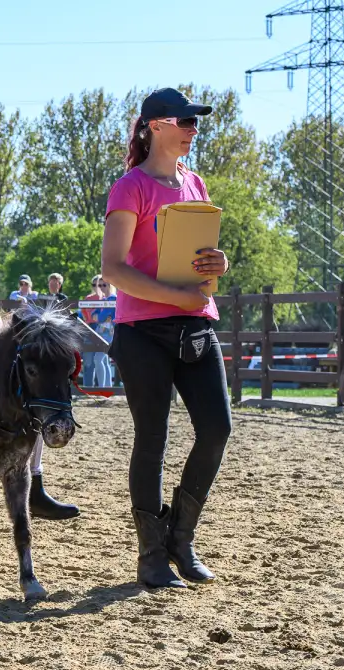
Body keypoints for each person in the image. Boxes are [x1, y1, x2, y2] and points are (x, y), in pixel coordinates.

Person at [103, 87, 231, 588]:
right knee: (152, 439)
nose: (193, 129)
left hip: (198, 322)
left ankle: (181, 536)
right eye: (186, 121)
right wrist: (170, 297)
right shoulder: (129, 187)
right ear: (155, 125)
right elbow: (112, 268)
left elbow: (201, 261)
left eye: (196, 123)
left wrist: (218, 265)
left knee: (216, 430)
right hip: (142, 331)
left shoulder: (196, 183)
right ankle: (152, 555)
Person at [81, 275, 114, 388]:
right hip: (101, 331)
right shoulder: (104, 300)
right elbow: (93, 314)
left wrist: (101, 316)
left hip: (108, 333)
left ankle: (103, 388)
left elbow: (100, 316)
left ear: (109, 285)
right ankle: (106, 387)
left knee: (99, 359)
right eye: (99, 285)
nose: (100, 287)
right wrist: (101, 316)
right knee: (102, 360)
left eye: (103, 285)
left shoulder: (113, 298)